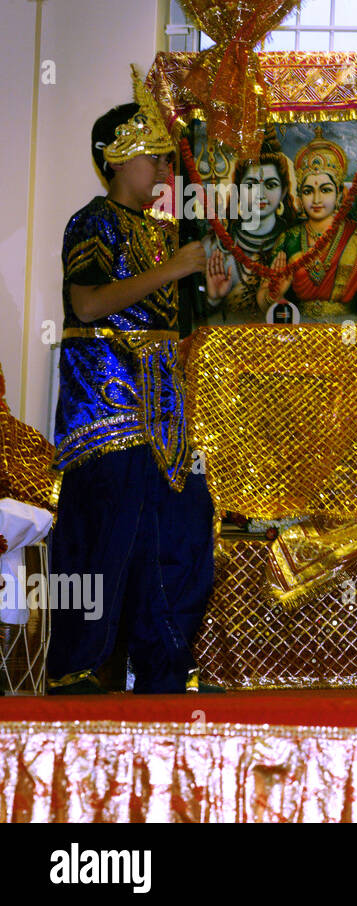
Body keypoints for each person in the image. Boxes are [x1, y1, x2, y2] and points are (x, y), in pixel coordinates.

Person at [46, 80, 217, 695]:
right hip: (107, 410)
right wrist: (172, 268)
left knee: (181, 535)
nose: (165, 169)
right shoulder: (91, 221)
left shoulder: (164, 234)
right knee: (99, 539)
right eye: (156, 157)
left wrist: (212, 288)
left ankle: (164, 670)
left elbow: (175, 323)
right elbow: (87, 304)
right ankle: (78, 671)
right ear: (120, 159)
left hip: (163, 415)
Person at [259, 128, 357, 320]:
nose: (316, 199)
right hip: (297, 337)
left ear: (339, 195)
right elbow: (264, 303)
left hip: (348, 337)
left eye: (325, 190)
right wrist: (273, 295)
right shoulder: (288, 239)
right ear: (299, 198)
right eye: (307, 191)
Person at [202, 132, 296, 322]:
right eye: (251, 185)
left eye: (270, 184)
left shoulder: (297, 243)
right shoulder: (214, 246)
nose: (260, 194)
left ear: (284, 190)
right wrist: (213, 299)